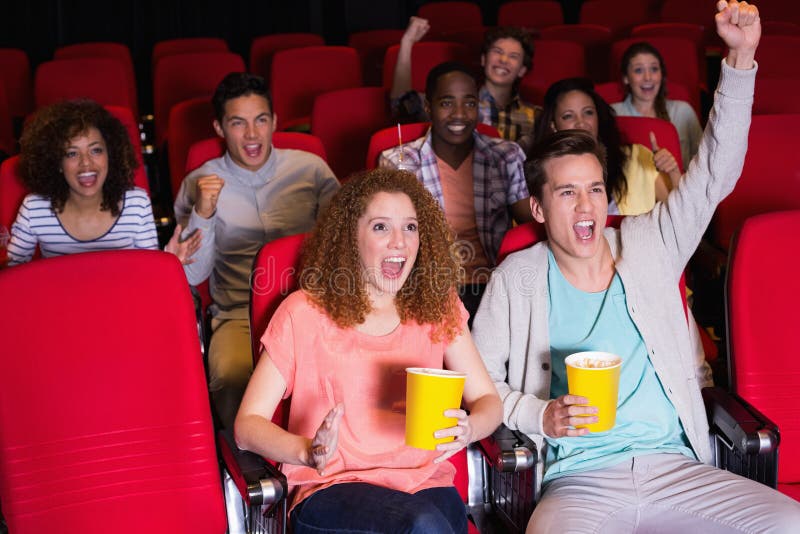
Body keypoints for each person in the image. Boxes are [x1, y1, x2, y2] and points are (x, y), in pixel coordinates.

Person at [473, 2, 800, 532]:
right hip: (579, 481)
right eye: (567, 193)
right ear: (537, 208)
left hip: (677, 469)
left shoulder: (650, 243)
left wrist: (740, 59)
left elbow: (715, 173)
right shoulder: (519, 276)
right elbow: (478, 381)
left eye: (595, 190)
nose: (586, 207)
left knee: (788, 523)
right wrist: (540, 416)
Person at [234, 168, 502, 533]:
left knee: (434, 523)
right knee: (424, 526)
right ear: (350, 238)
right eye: (380, 227)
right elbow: (247, 427)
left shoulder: (437, 306)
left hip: (425, 483)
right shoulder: (303, 312)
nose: (399, 242)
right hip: (330, 489)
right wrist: (306, 451)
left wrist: (470, 428)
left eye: (410, 227)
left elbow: (488, 399)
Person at [174, 72, 340, 429]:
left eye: (260, 120)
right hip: (238, 315)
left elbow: (344, 245)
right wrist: (203, 213)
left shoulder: (310, 169)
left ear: (275, 122)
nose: (252, 134)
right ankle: (253, 475)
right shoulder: (198, 182)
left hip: (313, 306)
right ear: (219, 128)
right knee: (233, 380)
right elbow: (192, 275)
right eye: (238, 123)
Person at [380, 62, 532, 319]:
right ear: (429, 107)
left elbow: (529, 219)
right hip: (428, 287)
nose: (459, 114)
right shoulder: (399, 162)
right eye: (447, 103)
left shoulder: (506, 155)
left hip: (494, 286)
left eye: (470, 103)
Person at [7, 99, 199, 266]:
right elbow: (10, 276)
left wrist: (167, 262)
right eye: (72, 153)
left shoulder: (136, 204)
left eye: (96, 150)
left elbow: (147, 276)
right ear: (57, 162)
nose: (86, 163)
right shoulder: (34, 208)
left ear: (110, 155)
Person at [534, 77, 683, 216]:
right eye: (568, 116)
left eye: (588, 113)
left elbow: (678, 217)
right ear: (553, 125)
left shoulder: (636, 157)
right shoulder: (546, 169)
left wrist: (674, 174)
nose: (581, 123)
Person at [391, 17, 540, 153]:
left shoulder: (537, 116)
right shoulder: (448, 105)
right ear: (483, 59)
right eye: (497, 51)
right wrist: (407, 42)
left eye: (513, 56)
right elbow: (401, 103)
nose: (503, 59)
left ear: (522, 69)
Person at [612, 41, 704, 167]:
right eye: (639, 70)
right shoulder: (614, 114)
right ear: (626, 78)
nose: (648, 77)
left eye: (654, 69)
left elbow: (702, 161)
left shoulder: (683, 111)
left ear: (662, 74)